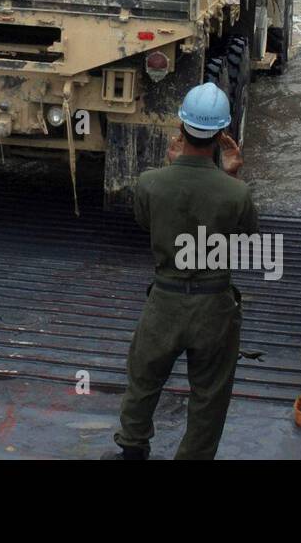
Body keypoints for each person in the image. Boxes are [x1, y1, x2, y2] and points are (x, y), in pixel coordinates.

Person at [108, 82, 254, 460]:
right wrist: (232, 176)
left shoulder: (150, 183)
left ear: (181, 128)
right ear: (223, 135)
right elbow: (248, 237)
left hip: (166, 300)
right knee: (210, 393)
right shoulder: (236, 193)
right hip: (214, 306)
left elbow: (146, 221)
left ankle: (133, 449)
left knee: (144, 378)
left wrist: (173, 172)